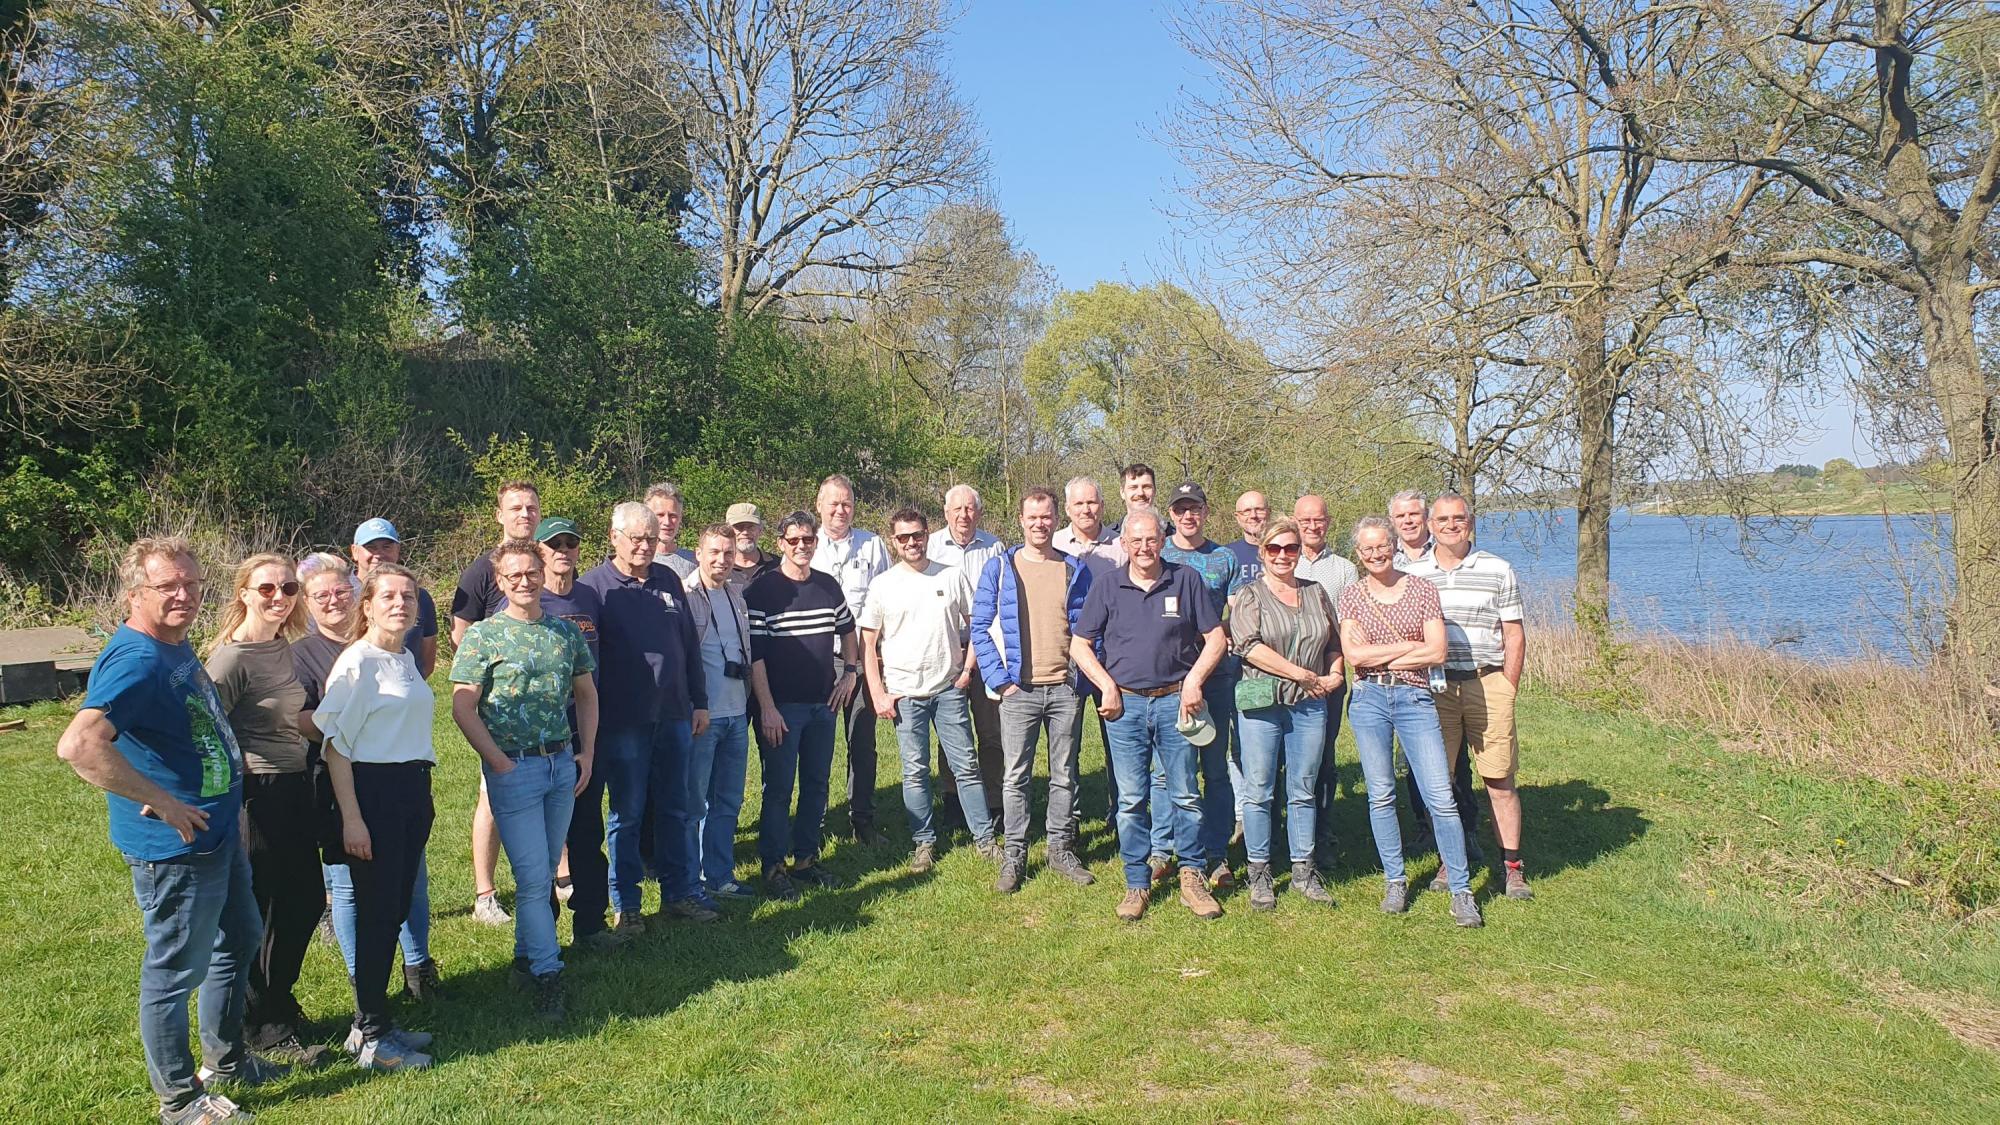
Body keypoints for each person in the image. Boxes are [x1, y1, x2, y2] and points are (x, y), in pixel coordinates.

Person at [58, 537, 280, 1125]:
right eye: (167, 586)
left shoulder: (172, 648)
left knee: (239, 938)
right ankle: (180, 1100)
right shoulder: (136, 659)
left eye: (191, 583)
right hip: (175, 848)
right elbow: (79, 746)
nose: (183, 595)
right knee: (174, 970)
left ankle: (228, 1061)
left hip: (216, 833)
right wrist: (166, 803)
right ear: (135, 594)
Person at [449, 539, 600, 1020]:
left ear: (542, 573)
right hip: (514, 768)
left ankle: (524, 959)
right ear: (499, 581)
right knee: (535, 879)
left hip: (560, 766)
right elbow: (462, 706)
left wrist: (587, 752)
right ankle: (548, 972)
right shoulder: (484, 637)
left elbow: (586, 694)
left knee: (544, 875)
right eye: (513, 575)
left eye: (530, 572)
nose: (524, 581)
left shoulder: (563, 632)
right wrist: (496, 761)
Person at [1070, 508, 1229, 922]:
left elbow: (1216, 638)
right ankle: (1136, 883)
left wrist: (1194, 682)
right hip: (1124, 707)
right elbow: (1080, 644)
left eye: (1151, 539)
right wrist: (1106, 685)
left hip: (1177, 703)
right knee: (1132, 800)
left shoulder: (1186, 579)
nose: (1144, 547)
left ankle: (1191, 877)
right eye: (1135, 540)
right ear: (1124, 544)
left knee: (1186, 796)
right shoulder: (1107, 586)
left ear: (1163, 540)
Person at [298, 554, 441, 1007]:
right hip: (374, 794)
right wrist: (353, 821)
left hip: (413, 790)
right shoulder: (357, 662)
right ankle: (370, 1028)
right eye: (389, 596)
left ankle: (377, 1020)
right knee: (378, 915)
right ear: (368, 606)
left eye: (408, 597)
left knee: (395, 906)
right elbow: (335, 745)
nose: (400, 604)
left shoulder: (401, 657)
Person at [203, 554, 323, 1069]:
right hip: (256, 793)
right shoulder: (230, 660)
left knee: (304, 901)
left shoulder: (284, 650)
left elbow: (299, 719)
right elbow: (206, 734)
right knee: (263, 910)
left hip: (296, 786)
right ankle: (263, 1026)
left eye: (288, 588)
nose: (279, 597)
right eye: (266, 588)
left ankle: (277, 1005)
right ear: (244, 595)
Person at [1339, 517, 1482, 928]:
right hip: (1369, 700)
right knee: (1381, 794)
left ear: (1393, 545)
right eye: (1367, 549)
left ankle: (1461, 890)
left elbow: (1437, 651)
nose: (1375, 554)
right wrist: (1408, 645)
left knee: (1439, 794)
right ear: (1359, 553)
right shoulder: (1351, 595)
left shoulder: (1421, 589)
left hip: (1415, 698)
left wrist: (1385, 653)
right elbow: (1355, 657)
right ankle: (1395, 879)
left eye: (1382, 545)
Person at [579, 503, 714, 929]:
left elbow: (689, 644)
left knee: (676, 807)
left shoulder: (669, 578)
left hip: (674, 712)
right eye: (635, 538)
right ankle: (627, 906)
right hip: (624, 720)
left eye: (651, 539)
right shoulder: (595, 588)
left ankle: (679, 894)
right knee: (628, 812)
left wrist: (700, 699)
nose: (643, 546)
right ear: (613, 536)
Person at [1400, 492, 1534, 900]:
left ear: (1470, 522)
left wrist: (1507, 686)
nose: (1450, 525)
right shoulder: (1414, 573)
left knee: (1499, 778)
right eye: (1442, 520)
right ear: (1430, 524)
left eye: (1458, 518)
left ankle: (1511, 866)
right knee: (1442, 782)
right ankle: (1449, 858)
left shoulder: (1497, 569)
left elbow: (1514, 634)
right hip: (1436, 686)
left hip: (1486, 681)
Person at [861, 508, 1001, 874]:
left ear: (927, 534)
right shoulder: (883, 585)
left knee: (966, 766)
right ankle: (924, 842)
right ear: (894, 541)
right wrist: (879, 692)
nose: (911, 542)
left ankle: (984, 839)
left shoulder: (951, 576)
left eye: (917, 535)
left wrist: (967, 670)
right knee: (915, 770)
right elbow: (868, 642)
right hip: (905, 693)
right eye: (903, 537)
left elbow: (978, 624)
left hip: (948, 688)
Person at [971, 488, 1096, 891]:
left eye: (1046, 516)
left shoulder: (1075, 569)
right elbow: (979, 627)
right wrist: (999, 680)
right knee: (1015, 777)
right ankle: (1015, 856)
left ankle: (1060, 850)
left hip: (1064, 688)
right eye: (1032, 517)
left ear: (1056, 519)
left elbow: (1091, 629)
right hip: (1018, 691)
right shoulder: (1001, 568)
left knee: (1064, 774)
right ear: (1021, 521)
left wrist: (1081, 679)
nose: (1040, 523)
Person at [1228, 519, 1343, 910]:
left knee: (1304, 788)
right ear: (1262, 553)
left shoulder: (1317, 593)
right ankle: (1259, 872)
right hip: (1263, 704)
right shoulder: (1250, 595)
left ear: (1298, 551)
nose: (1282, 555)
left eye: (1290, 548)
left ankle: (1303, 870)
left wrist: (1336, 672)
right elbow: (1248, 646)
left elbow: (1332, 641)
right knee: (1259, 789)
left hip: (1310, 705)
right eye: (1274, 549)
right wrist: (1300, 674)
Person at [744, 511, 858, 900]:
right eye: (793, 541)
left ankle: (806, 859)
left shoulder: (828, 586)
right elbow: (755, 657)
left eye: (807, 540)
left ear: (816, 542)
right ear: (780, 544)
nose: (801, 547)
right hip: (782, 709)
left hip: (822, 705)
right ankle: (773, 866)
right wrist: (768, 708)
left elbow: (848, 629)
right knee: (778, 788)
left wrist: (851, 672)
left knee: (816, 784)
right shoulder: (761, 591)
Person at [452, 480, 541, 927]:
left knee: (551, 788)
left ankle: (556, 874)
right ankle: (485, 894)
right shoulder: (481, 570)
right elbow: (460, 632)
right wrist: (484, 684)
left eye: (530, 507)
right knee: (493, 795)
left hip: (543, 706)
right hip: (498, 710)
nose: (523, 514)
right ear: (499, 514)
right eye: (515, 507)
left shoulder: (542, 562)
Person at [534, 518, 625, 950]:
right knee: (545, 842)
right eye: (554, 545)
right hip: (542, 738)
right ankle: (542, 933)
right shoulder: (529, 602)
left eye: (570, 544)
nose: (563, 552)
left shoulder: (589, 595)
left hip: (586, 730)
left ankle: (590, 924)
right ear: (539, 551)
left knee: (588, 831)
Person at [1157, 481, 1239, 888]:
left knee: (1215, 769)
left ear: (1207, 511)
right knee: (1171, 771)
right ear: (1170, 514)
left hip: (1217, 676)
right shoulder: (1159, 553)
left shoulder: (1224, 559)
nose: (1187, 516)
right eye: (1180, 509)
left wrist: (1210, 633)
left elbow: (1238, 614)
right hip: (1170, 678)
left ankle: (1216, 852)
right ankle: (1166, 848)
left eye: (1195, 509)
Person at [809, 473, 893, 845]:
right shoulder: (805, 545)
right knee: (818, 744)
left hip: (861, 660)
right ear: (819, 506)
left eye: (847, 503)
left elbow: (890, 597)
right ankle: (818, 819)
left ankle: (862, 819)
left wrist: (877, 661)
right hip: (818, 662)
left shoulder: (873, 545)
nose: (840, 510)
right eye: (834, 503)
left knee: (862, 741)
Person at [927, 484, 1007, 826]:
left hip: (988, 647)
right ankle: (953, 798)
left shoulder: (994, 547)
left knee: (991, 731)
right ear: (946, 513)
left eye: (970, 508)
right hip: (946, 647)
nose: (964, 515)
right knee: (951, 731)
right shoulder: (929, 545)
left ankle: (994, 799)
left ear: (979, 512)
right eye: (957, 509)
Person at [684, 524, 756, 899]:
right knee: (695, 801)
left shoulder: (736, 595)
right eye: (714, 552)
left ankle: (720, 876)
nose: (721, 560)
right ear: (698, 553)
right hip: (702, 716)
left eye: (728, 553)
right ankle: (691, 880)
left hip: (735, 712)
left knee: (728, 800)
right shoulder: (685, 596)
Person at [1292, 494, 1358, 862]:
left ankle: (1322, 828)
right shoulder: (1283, 559)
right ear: (1295, 521)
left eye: (1318, 520)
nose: (1312, 527)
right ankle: (1284, 829)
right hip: (1287, 676)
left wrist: (1338, 671)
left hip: (1327, 676)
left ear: (1328, 522)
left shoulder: (1345, 570)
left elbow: (1347, 627)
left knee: (1324, 757)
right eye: (1305, 521)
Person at [349, 518, 438, 677]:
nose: (379, 554)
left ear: (397, 550)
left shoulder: (418, 597)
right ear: (354, 551)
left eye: (387, 547)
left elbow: (427, 659)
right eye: (371, 547)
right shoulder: (340, 596)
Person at [1053, 475, 1126, 568]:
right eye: (1079, 504)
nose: (1086, 510)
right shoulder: (1054, 544)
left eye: (1091, 503)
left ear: (1102, 506)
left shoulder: (1120, 546)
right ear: (1067, 509)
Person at [645, 482, 698, 582]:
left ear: (680, 518)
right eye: (660, 515)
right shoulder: (638, 562)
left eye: (673, 516)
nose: (667, 522)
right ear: (647, 517)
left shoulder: (695, 561)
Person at [727, 502, 779, 588]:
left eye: (751, 527)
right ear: (727, 530)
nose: (745, 532)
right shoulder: (720, 566)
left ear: (760, 529)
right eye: (739, 527)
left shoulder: (778, 566)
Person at [1227, 491, 1271, 589]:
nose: (1253, 516)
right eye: (1246, 511)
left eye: (1259, 509)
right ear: (1237, 517)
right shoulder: (1226, 555)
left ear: (1269, 513)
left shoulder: (1286, 551)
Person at [1107, 463, 1156, 533]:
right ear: (1122, 492)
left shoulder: (1171, 534)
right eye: (1133, 487)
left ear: (1155, 491)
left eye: (1146, 487)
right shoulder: (1110, 538)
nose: (1140, 493)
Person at [1389, 489, 1432, 564]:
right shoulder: (1387, 556)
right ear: (1392, 521)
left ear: (1427, 515)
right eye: (1400, 516)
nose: (1408, 521)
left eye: (1413, 514)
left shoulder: (1445, 549)